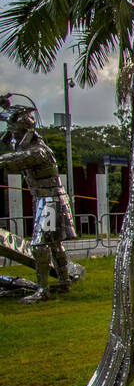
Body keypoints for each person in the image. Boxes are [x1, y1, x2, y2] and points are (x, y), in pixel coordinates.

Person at [0, 100, 75, 302]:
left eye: (15, 131)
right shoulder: (30, 148)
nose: (12, 135)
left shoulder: (38, 151)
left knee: (39, 244)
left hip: (50, 199)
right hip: (45, 198)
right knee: (54, 243)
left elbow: (13, 161)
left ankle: (43, 290)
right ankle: (64, 280)